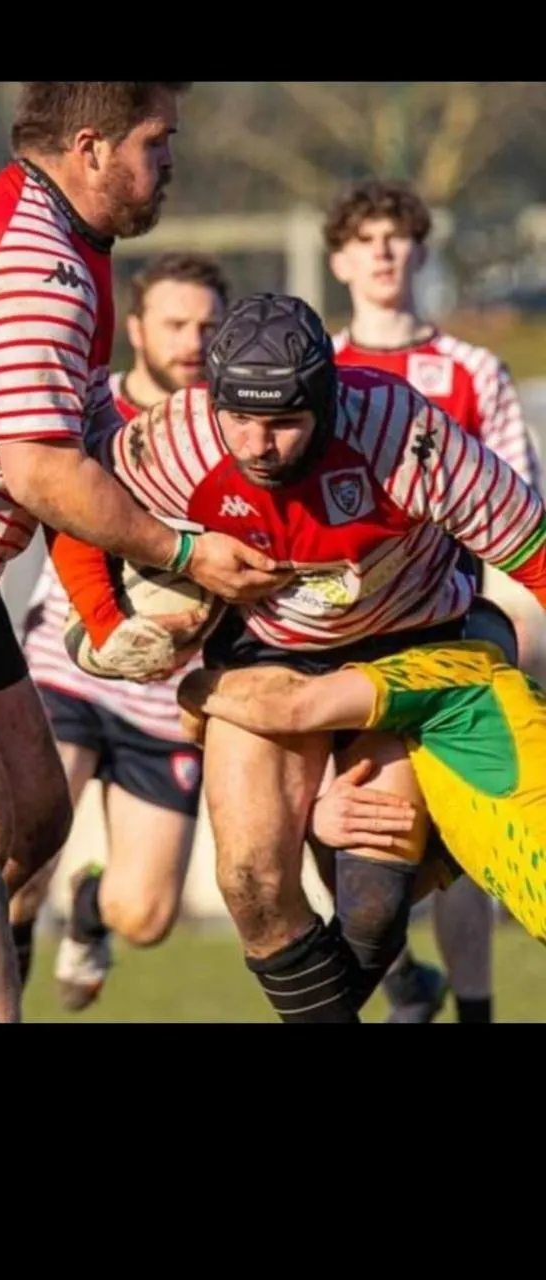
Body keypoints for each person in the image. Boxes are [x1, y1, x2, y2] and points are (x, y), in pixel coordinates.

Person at [44, 291, 546, 1026]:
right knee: (251, 883)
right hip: (263, 653)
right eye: (238, 417)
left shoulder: (402, 434)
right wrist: (103, 618)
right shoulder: (180, 437)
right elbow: (77, 508)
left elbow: (532, 546)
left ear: (327, 400)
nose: (255, 443)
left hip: (402, 650)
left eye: (282, 422)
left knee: (372, 903)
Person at [0, 84, 290, 1023]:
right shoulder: (37, 267)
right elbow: (43, 472)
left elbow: (92, 427)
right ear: (90, 148)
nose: (171, 161)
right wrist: (185, 553)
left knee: (33, 818)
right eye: (158, 142)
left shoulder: (68, 241)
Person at [323, 176, 544, 1023]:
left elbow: (513, 509)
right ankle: (404, 980)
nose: (382, 250)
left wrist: (513, 625)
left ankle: (475, 1010)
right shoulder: (319, 373)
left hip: (453, 628)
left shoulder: (473, 371)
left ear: (421, 251)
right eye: (365, 237)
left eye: (397, 235)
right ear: (340, 257)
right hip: (340, 639)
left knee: (466, 832)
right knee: (348, 832)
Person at [10, 251, 231, 1008]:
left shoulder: (242, 435)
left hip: (165, 700)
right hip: (66, 666)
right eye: (175, 323)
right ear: (136, 327)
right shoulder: (87, 410)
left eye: (208, 325)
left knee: (146, 917)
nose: (191, 341)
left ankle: (91, 908)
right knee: (19, 860)